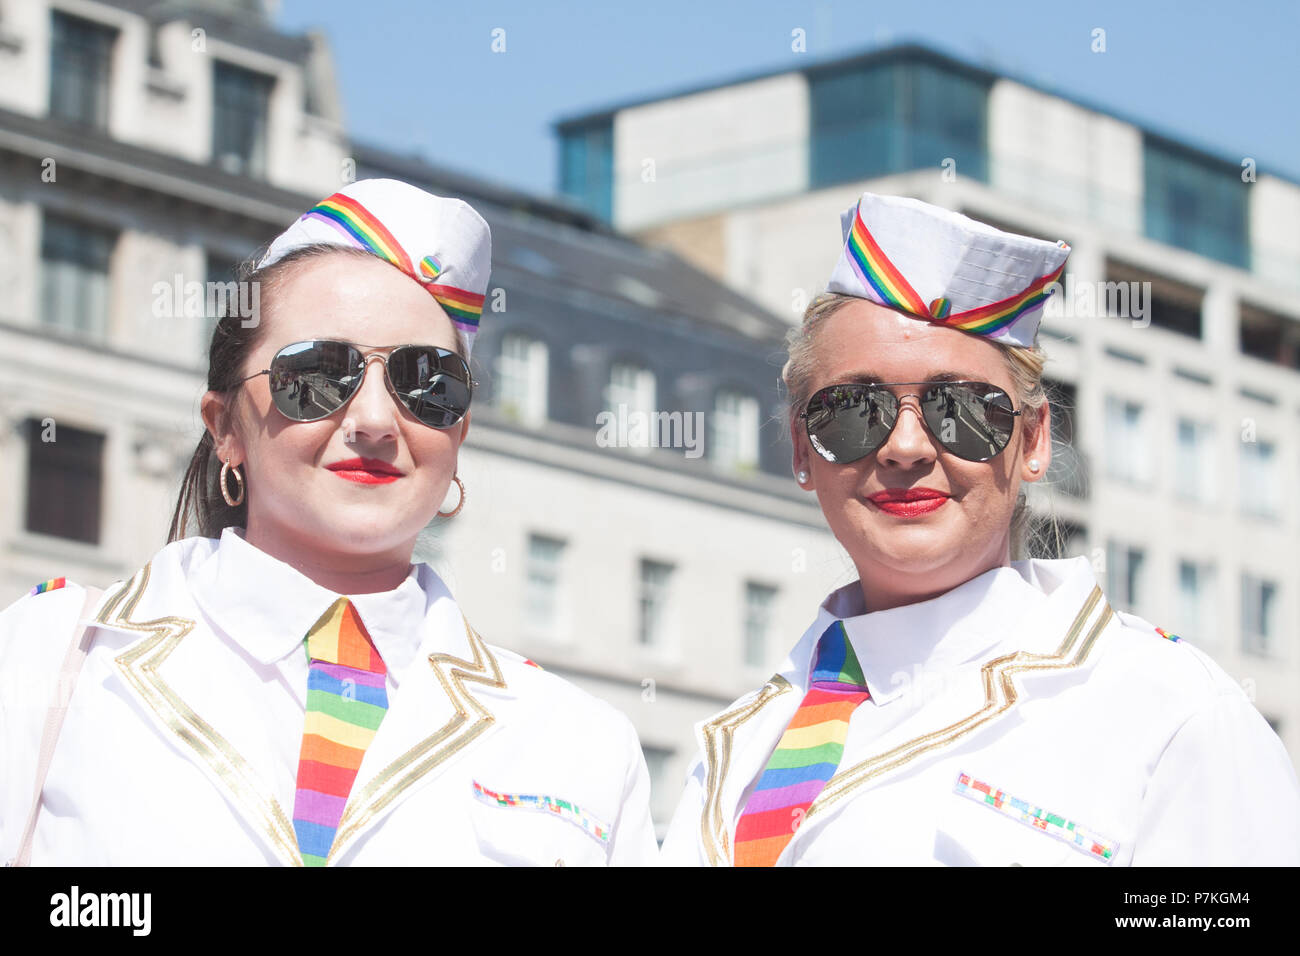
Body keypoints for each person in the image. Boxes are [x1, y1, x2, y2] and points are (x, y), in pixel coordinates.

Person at [1, 179, 656, 866]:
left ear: (458, 433)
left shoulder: (579, 742)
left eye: (428, 384)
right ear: (224, 427)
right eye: (316, 374)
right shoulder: (48, 656)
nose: (374, 420)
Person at [660, 191, 1300, 866]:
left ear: (1033, 441)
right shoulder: (743, 743)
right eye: (853, 410)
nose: (905, 447)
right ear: (800, 449)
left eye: (961, 409)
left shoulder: (1169, 711)